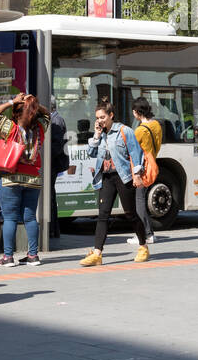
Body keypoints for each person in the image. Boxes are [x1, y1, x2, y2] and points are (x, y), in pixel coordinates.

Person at [80, 101, 146, 267]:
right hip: (106, 177)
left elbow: (136, 153)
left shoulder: (124, 131)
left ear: (111, 115)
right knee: (103, 215)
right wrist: (96, 135)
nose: (100, 120)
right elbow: (91, 152)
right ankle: (97, 253)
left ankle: (143, 246)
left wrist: (137, 174)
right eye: (97, 118)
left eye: (102, 117)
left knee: (130, 213)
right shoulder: (100, 134)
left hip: (123, 177)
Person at [0, 93, 50, 267]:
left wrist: (11, 101)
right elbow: (48, 115)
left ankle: (8, 257)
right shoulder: (39, 129)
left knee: (10, 218)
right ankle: (32, 255)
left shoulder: (10, 129)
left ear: (15, 113)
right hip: (33, 179)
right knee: (30, 218)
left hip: (11, 178)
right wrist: (34, 104)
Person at [128, 97, 163, 244]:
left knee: (139, 202)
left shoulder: (140, 131)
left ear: (136, 112)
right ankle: (148, 233)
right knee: (141, 199)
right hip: (152, 164)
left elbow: (132, 149)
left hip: (141, 169)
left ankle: (146, 234)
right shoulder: (157, 125)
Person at [48, 99, 70, 241]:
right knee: (50, 195)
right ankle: (53, 230)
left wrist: (46, 158)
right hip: (54, 163)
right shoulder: (55, 118)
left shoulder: (56, 120)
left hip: (53, 163)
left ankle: (53, 229)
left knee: (49, 195)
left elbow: (57, 145)